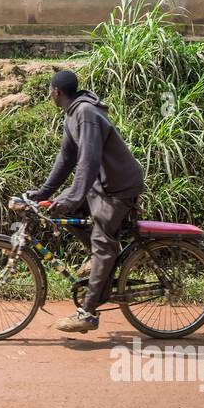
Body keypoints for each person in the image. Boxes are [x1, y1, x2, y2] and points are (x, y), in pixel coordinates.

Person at [27, 69, 144, 334]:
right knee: (57, 210)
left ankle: (89, 313)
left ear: (56, 91)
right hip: (101, 184)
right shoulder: (72, 114)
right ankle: (98, 260)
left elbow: (88, 161)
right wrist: (44, 193)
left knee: (103, 243)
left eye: (50, 91)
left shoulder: (86, 113)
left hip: (118, 188)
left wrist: (74, 197)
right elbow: (66, 158)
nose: (50, 95)